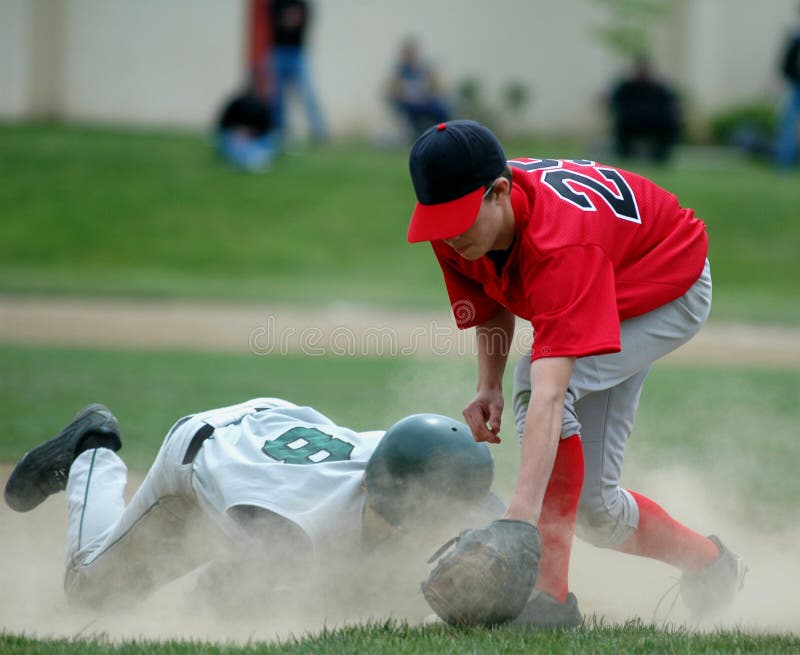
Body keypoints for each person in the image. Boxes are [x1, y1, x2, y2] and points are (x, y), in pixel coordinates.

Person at [405, 120, 747, 627]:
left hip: (666, 282)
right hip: (609, 270)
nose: (450, 236)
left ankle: (550, 600)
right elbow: (491, 297)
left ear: (499, 192)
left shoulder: (558, 245)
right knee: (594, 511)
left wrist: (519, 519)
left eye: (458, 220)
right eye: (438, 222)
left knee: (536, 382)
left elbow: (548, 393)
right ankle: (711, 565)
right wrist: (487, 385)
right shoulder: (458, 227)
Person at [4, 399, 499, 617]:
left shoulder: (402, 460)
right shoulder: (291, 528)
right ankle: (90, 448)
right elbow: (220, 593)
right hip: (201, 463)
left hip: (271, 434)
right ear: (371, 491)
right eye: (398, 521)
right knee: (93, 594)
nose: (408, 533)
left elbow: (482, 508)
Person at [267, 0, 328, 144]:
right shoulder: (277, 4)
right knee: (277, 96)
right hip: (278, 52)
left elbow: (297, 24)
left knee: (308, 93)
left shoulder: (303, 5)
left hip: (298, 54)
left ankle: (319, 132)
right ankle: (279, 131)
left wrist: (289, 19)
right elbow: (277, 22)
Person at [607, 56, 681, 163]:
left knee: (670, 124)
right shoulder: (626, 86)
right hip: (630, 121)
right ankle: (624, 154)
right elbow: (614, 100)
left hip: (656, 121)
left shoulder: (659, 87)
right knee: (621, 123)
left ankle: (660, 156)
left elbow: (672, 101)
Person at [389, 39, 451, 139]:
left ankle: (444, 134)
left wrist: (428, 94)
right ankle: (419, 136)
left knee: (442, 112)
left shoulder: (424, 68)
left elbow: (435, 87)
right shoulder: (401, 71)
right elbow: (395, 90)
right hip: (410, 104)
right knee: (413, 115)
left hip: (426, 101)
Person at [215, 83, 278, 172]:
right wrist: (238, 131)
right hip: (236, 136)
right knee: (234, 145)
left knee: (266, 144)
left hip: (256, 138)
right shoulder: (236, 104)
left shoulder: (263, 107)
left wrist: (252, 133)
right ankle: (246, 160)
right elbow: (224, 124)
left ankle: (251, 159)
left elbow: (267, 128)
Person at [774, 5, 800, 169]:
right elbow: (787, 62)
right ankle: (784, 161)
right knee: (788, 123)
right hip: (795, 84)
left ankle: (784, 161)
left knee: (788, 122)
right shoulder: (795, 33)